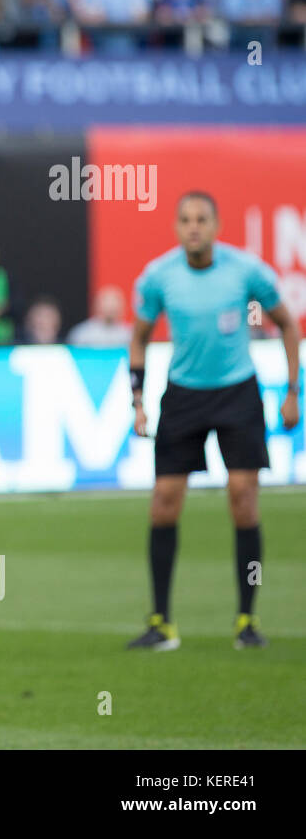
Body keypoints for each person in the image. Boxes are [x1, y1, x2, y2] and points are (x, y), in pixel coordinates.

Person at [128, 191, 300, 652]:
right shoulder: (159, 277)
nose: (193, 227)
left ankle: (247, 619)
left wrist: (291, 391)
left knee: (243, 499)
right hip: (183, 395)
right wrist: (138, 399)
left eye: (201, 219)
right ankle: (161, 622)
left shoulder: (245, 271)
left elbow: (287, 324)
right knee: (164, 500)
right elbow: (140, 337)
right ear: (176, 227)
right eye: (185, 219)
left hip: (237, 392)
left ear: (216, 225)